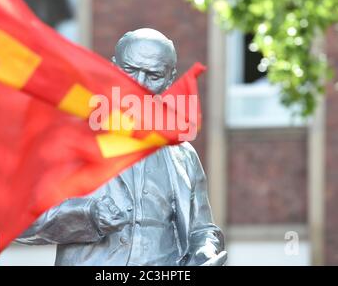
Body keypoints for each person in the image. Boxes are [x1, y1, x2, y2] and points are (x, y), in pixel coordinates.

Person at [17, 28, 226, 266]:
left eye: (154, 75)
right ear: (113, 67)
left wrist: (205, 251)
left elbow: (202, 228)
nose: (139, 84)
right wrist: (87, 215)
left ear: (170, 79)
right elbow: (21, 222)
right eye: (129, 71)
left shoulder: (183, 155)